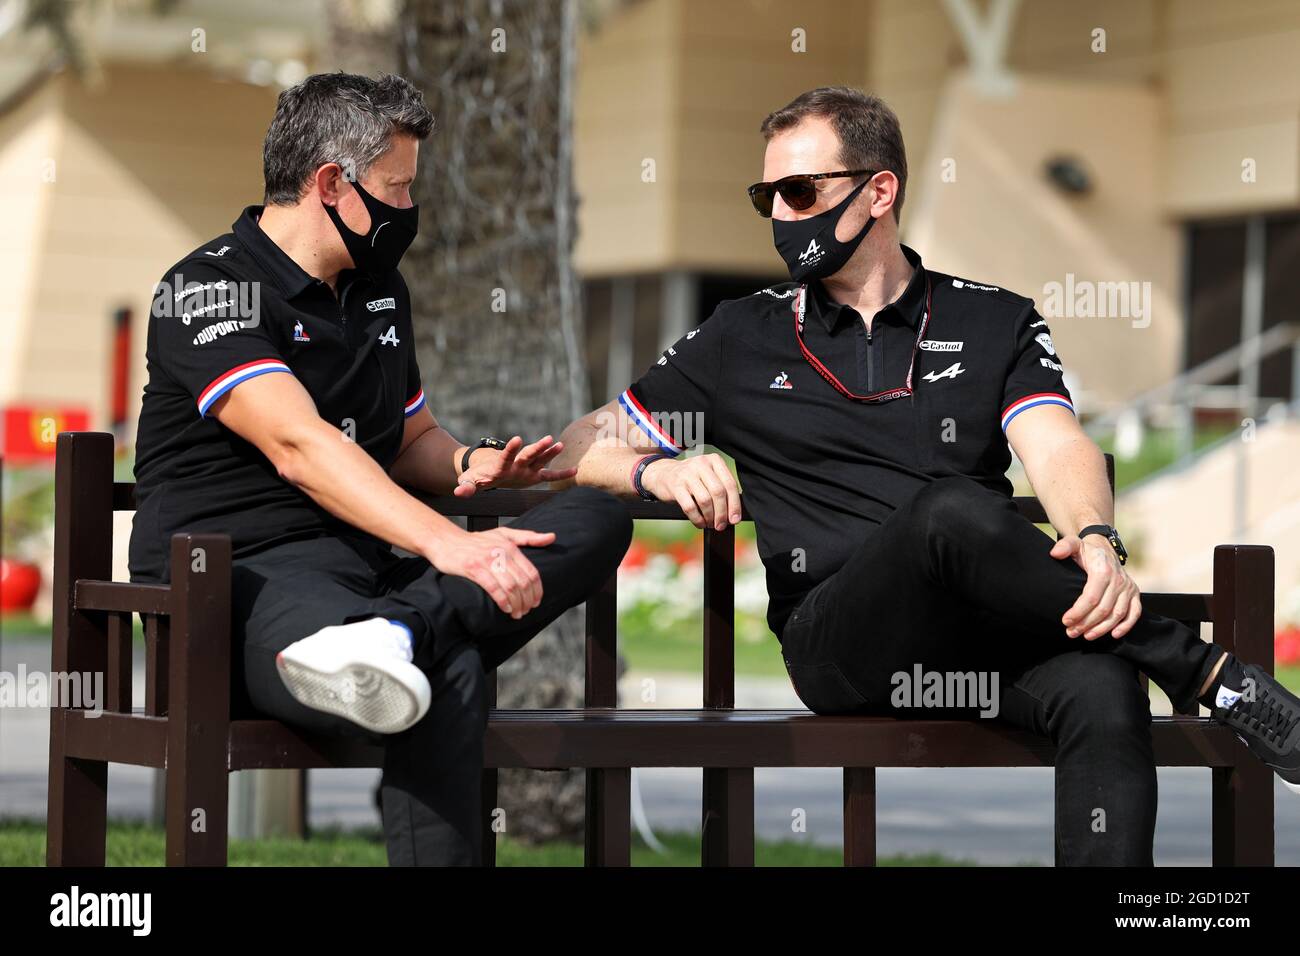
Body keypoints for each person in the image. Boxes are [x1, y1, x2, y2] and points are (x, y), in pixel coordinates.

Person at [553, 86, 1300, 865]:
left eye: (801, 191)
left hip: (984, 642)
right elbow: (578, 445)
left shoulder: (994, 319)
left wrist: (1095, 535)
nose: (781, 214)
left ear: (880, 190)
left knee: (1104, 687)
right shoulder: (739, 335)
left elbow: (1054, 445)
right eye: (766, 196)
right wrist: (654, 473)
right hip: (842, 643)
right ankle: (1208, 673)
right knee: (944, 511)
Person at [129, 72, 632, 866]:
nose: (409, 211)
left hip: (365, 577)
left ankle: (398, 629)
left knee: (598, 516)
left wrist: (477, 465)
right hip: (230, 585)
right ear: (331, 183)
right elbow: (299, 446)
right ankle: (405, 630)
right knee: (453, 666)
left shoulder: (378, 290)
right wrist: (452, 547)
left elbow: (407, 438)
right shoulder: (207, 288)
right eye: (397, 189)